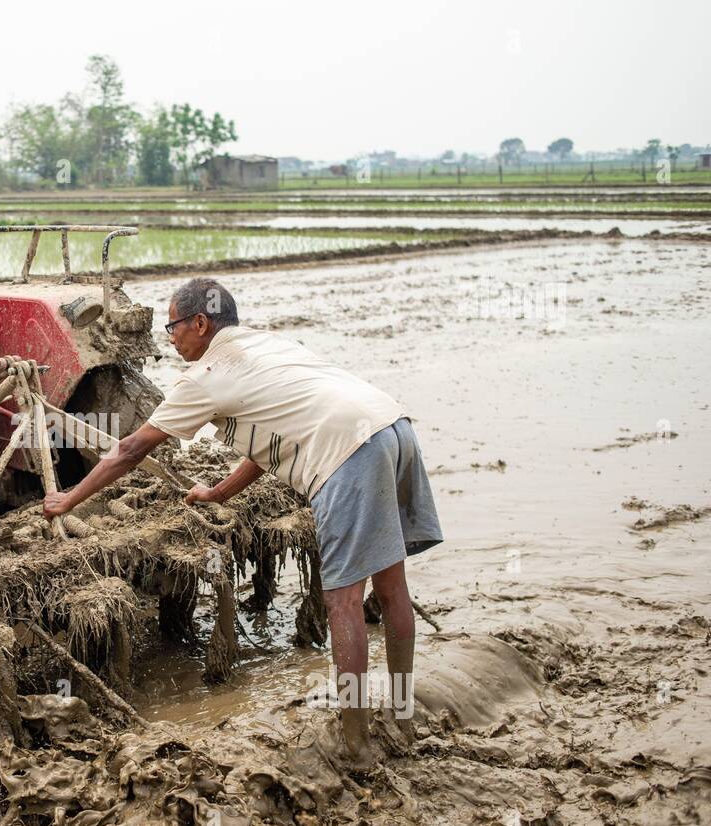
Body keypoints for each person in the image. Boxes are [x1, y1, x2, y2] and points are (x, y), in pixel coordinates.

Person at [42, 277, 443, 763]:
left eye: (173, 327)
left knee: (343, 603)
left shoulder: (209, 374)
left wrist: (68, 499)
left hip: (347, 452)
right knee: (393, 588)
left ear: (200, 323)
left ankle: (356, 743)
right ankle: (401, 721)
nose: (170, 338)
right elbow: (273, 440)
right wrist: (216, 492)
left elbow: (130, 449)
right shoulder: (267, 344)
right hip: (392, 426)